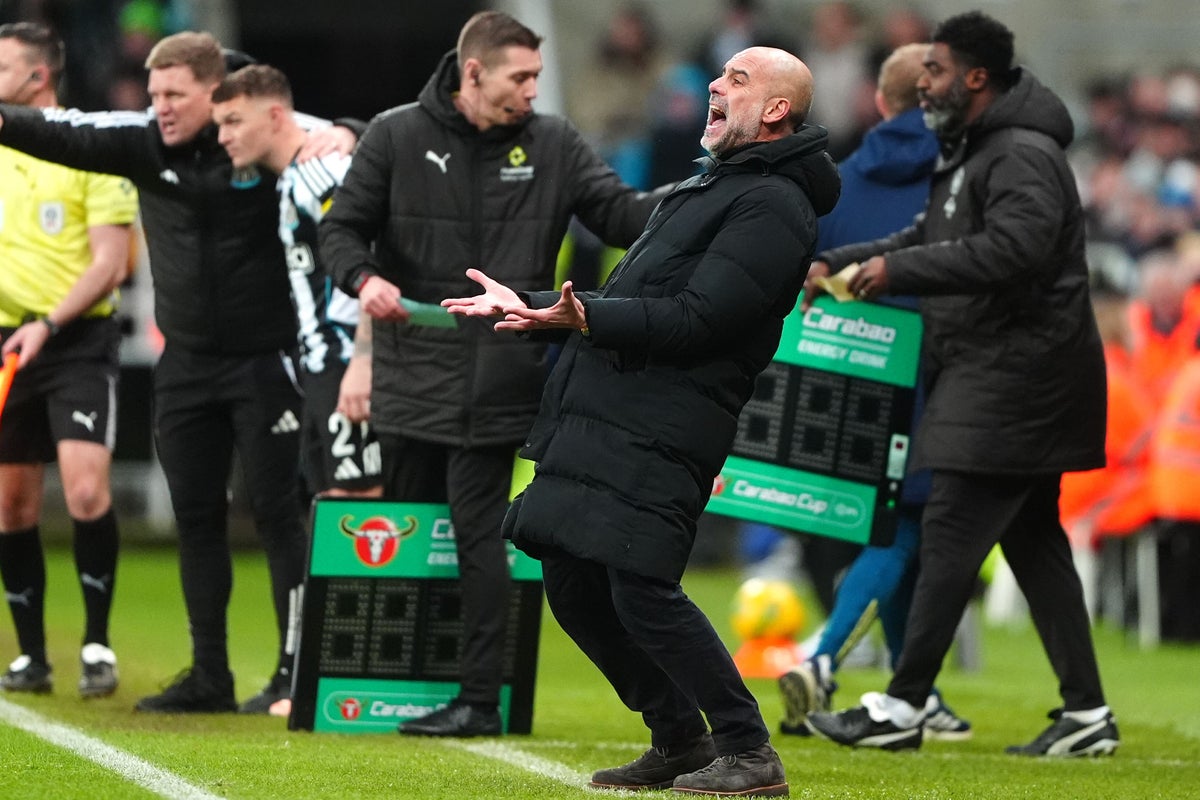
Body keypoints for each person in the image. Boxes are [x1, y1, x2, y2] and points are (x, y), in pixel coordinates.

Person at [443, 46, 840, 795]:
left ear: (777, 110)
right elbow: (647, 300)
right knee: (569, 576)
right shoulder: (716, 183)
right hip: (609, 408)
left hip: (669, 417)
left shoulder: (774, 205)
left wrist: (581, 315)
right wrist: (543, 315)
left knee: (639, 584)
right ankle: (679, 736)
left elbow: (699, 321)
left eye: (737, 81)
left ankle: (748, 749)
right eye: (720, 77)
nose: (715, 87)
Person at [319, 10, 668, 738]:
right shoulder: (394, 134)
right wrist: (362, 280)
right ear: (473, 73)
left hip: (502, 374)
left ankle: (479, 699)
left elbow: (622, 215)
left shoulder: (555, 143)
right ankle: (403, 685)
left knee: (476, 535)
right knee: (410, 529)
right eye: (521, 77)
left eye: (538, 77)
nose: (533, 92)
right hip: (410, 372)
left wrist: (699, 198)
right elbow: (340, 229)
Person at [0, 30, 357, 715]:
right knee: (197, 518)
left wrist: (347, 128)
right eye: (155, 92)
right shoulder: (142, 142)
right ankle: (209, 675)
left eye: (175, 95)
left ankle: (292, 671)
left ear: (216, 90)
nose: (159, 106)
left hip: (269, 359)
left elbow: (373, 143)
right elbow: (65, 132)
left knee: (280, 514)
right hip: (187, 365)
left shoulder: (258, 132)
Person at [802, 11, 1118, 757]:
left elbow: (1016, 248)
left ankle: (905, 704)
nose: (924, 83)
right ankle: (1087, 715)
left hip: (1017, 378)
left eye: (936, 70)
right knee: (1035, 544)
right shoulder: (975, 149)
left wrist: (898, 271)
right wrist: (850, 262)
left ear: (977, 77)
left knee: (947, 531)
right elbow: (926, 240)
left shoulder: (1021, 153)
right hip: (1002, 373)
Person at [775, 42, 972, 741]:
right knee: (904, 532)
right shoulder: (962, 174)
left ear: (880, 102)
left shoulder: (836, 181)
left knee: (890, 532)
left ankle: (915, 693)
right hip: (940, 382)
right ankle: (826, 658)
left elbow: (803, 279)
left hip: (845, 390)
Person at [0, 22, 137, 699]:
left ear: (37, 77)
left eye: (1, 67)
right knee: (12, 504)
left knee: (84, 488)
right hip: (5, 343)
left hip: (76, 338)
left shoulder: (91, 148)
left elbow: (111, 264)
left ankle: (97, 643)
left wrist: (48, 326)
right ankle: (31, 656)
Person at [212, 64, 381, 503]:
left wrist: (363, 361)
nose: (223, 136)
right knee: (329, 503)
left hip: (346, 357)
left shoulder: (321, 171)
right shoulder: (293, 177)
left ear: (274, 117)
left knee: (362, 506)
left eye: (233, 122)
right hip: (322, 362)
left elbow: (377, 258)